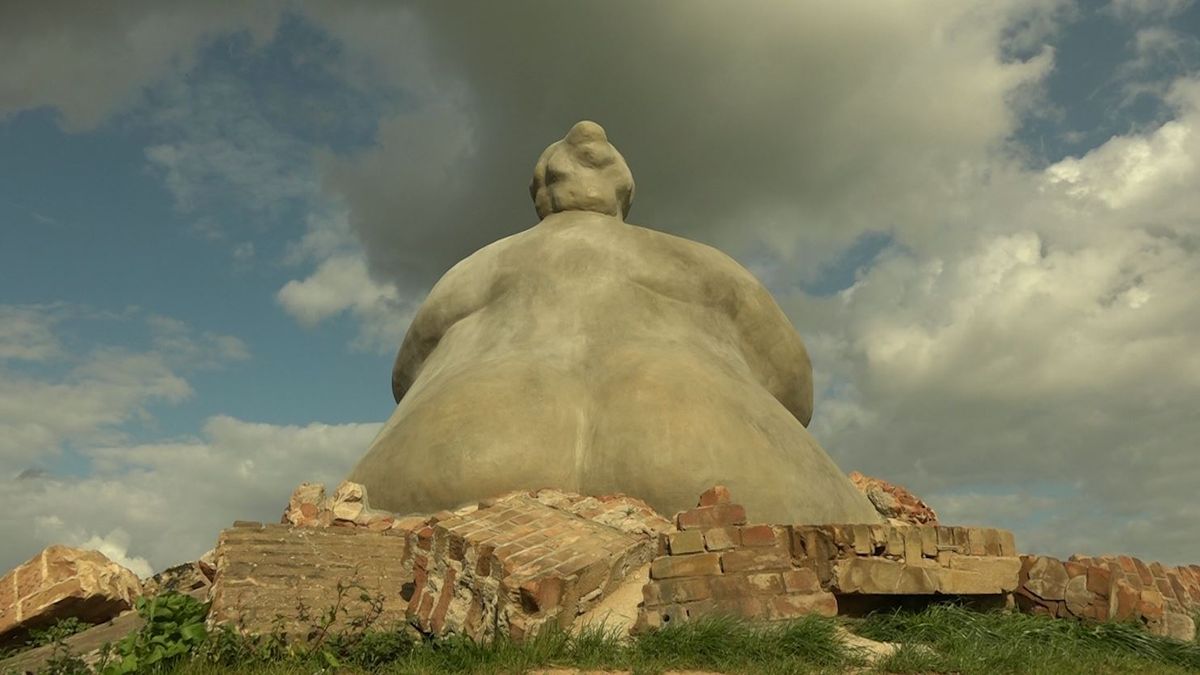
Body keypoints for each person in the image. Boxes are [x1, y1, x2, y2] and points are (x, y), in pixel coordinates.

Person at [348, 121, 881, 525]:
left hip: (462, 460)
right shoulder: (701, 263)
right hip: (707, 466)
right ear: (623, 194)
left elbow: (405, 381)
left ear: (540, 196)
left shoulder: (470, 272)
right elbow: (795, 392)